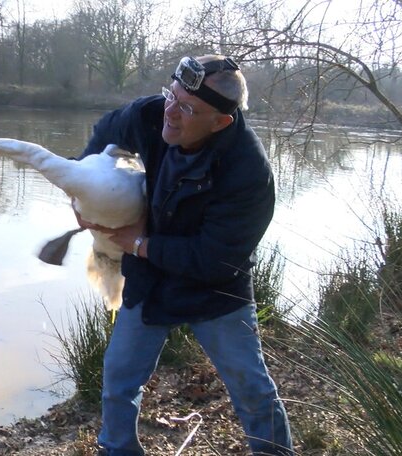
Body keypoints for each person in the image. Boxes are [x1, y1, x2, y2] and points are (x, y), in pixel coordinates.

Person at [75, 55, 293, 455]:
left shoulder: (249, 174)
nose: (171, 113)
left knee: (252, 390)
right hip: (150, 280)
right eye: (171, 96)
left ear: (220, 122)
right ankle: (117, 450)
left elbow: (215, 260)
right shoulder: (151, 115)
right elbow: (106, 130)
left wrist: (140, 245)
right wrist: (84, 187)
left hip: (215, 290)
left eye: (188, 108)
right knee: (119, 379)